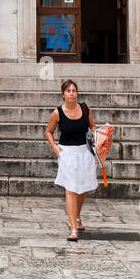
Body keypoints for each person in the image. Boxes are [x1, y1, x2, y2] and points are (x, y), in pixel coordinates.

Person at [46, 79, 97, 241]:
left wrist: (96, 139)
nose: (71, 93)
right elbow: (48, 131)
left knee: (82, 188)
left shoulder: (85, 108)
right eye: (68, 91)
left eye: (74, 90)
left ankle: (77, 216)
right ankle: (73, 228)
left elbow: (93, 126)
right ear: (63, 94)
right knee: (70, 188)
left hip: (85, 152)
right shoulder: (57, 113)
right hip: (67, 153)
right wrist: (54, 145)